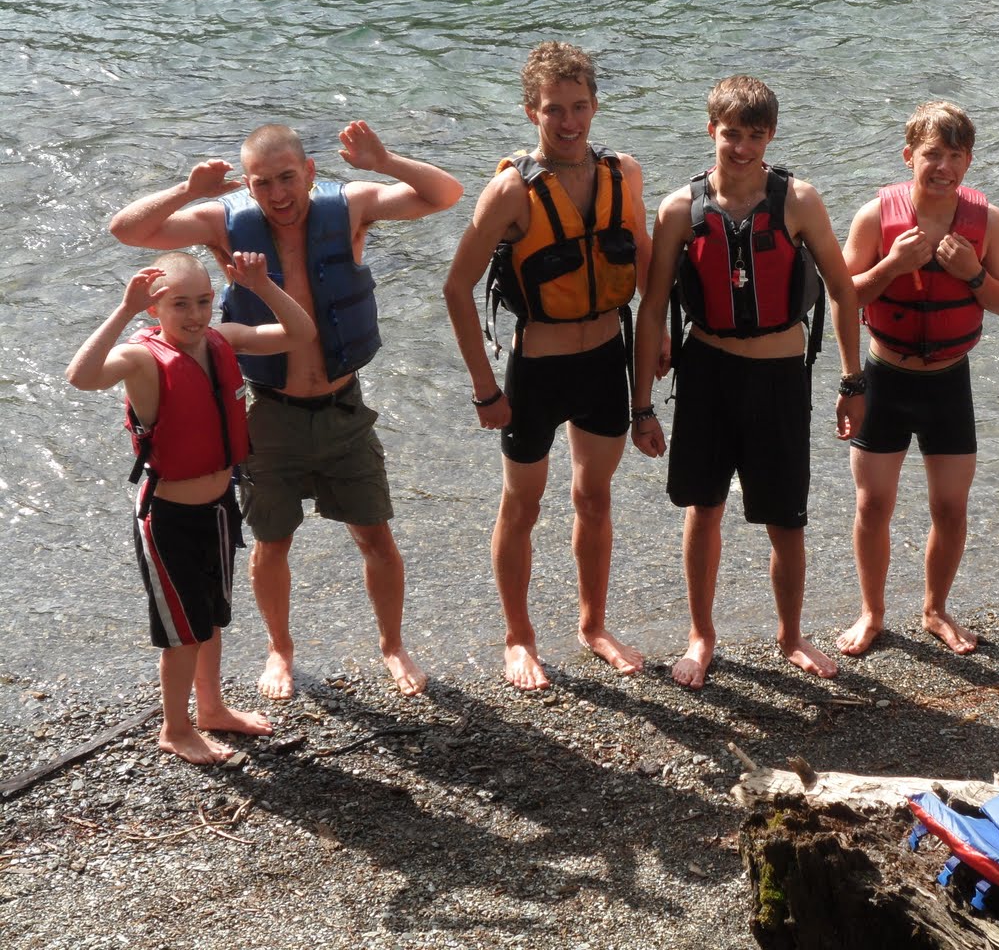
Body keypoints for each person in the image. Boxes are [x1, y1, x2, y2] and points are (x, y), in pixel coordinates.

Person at [108, 121, 464, 699]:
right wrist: (188, 191)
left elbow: (445, 194)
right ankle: (280, 649)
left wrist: (385, 160)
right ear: (248, 187)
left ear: (310, 173)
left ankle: (393, 645)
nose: (277, 194)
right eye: (263, 183)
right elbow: (127, 230)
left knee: (375, 535)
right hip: (269, 414)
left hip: (344, 408)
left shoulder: (350, 207)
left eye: (287, 178)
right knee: (272, 541)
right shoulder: (226, 223)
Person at [631, 75, 865, 690]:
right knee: (702, 509)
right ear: (712, 129)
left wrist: (852, 379)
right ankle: (700, 636)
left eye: (754, 136)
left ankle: (790, 636)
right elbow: (652, 306)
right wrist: (641, 407)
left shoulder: (799, 201)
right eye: (731, 134)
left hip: (780, 376)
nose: (740, 148)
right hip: (707, 372)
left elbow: (843, 292)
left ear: (771, 137)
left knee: (785, 518)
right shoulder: (680, 208)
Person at [442, 41, 651, 690]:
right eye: (554, 110)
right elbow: (455, 288)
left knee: (594, 496)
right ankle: (518, 637)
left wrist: (656, 351)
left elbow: (646, 270)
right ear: (530, 110)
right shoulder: (511, 192)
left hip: (605, 366)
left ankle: (594, 625)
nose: (569, 123)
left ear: (595, 105)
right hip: (536, 373)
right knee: (522, 506)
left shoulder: (625, 175)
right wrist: (484, 390)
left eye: (580, 107)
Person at [66, 251, 315, 762]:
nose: (196, 315)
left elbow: (300, 333)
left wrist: (261, 286)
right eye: (180, 304)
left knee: (210, 619)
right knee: (182, 634)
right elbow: (81, 376)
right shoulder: (141, 358)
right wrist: (122, 309)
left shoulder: (223, 340)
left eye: (204, 301)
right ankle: (174, 729)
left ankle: (212, 709)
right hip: (169, 516)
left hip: (220, 506)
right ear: (154, 310)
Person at [834, 102, 999, 657]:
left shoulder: (989, 222)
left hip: (947, 382)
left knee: (950, 507)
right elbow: (844, 298)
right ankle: (872, 613)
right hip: (885, 376)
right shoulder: (875, 217)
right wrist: (892, 264)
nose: (943, 166)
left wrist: (973, 273)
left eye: (955, 156)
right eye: (932, 154)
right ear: (908, 154)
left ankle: (936, 609)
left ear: (968, 162)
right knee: (873, 505)